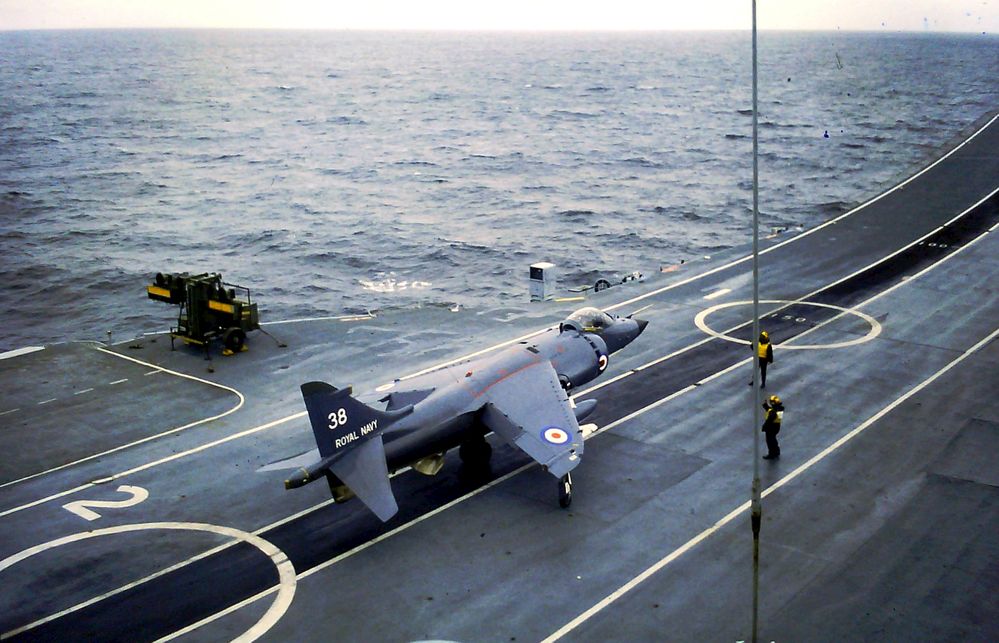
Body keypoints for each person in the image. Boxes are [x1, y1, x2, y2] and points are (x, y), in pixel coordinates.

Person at [761, 394, 784, 459]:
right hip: (776, 427)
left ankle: (771, 453)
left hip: (771, 428)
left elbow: (769, 420)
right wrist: (766, 406)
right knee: (773, 439)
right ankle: (776, 451)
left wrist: (764, 427)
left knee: (770, 441)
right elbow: (770, 410)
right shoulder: (779, 409)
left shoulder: (773, 412)